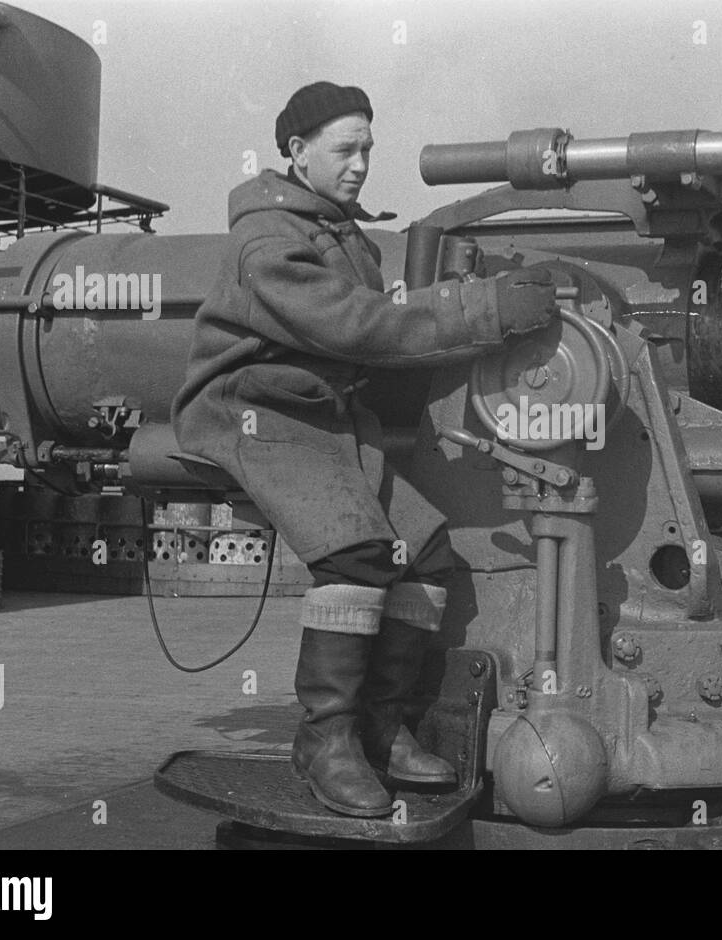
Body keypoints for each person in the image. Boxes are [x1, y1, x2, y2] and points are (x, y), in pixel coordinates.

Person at [170, 81, 558, 817]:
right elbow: (356, 327)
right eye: (344, 150)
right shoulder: (268, 239)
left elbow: (377, 325)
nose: (358, 165)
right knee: (355, 556)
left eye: (367, 150)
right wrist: (481, 311)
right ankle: (325, 742)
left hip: (330, 421)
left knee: (427, 549)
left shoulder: (337, 230)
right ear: (296, 151)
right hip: (259, 411)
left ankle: (381, 730)